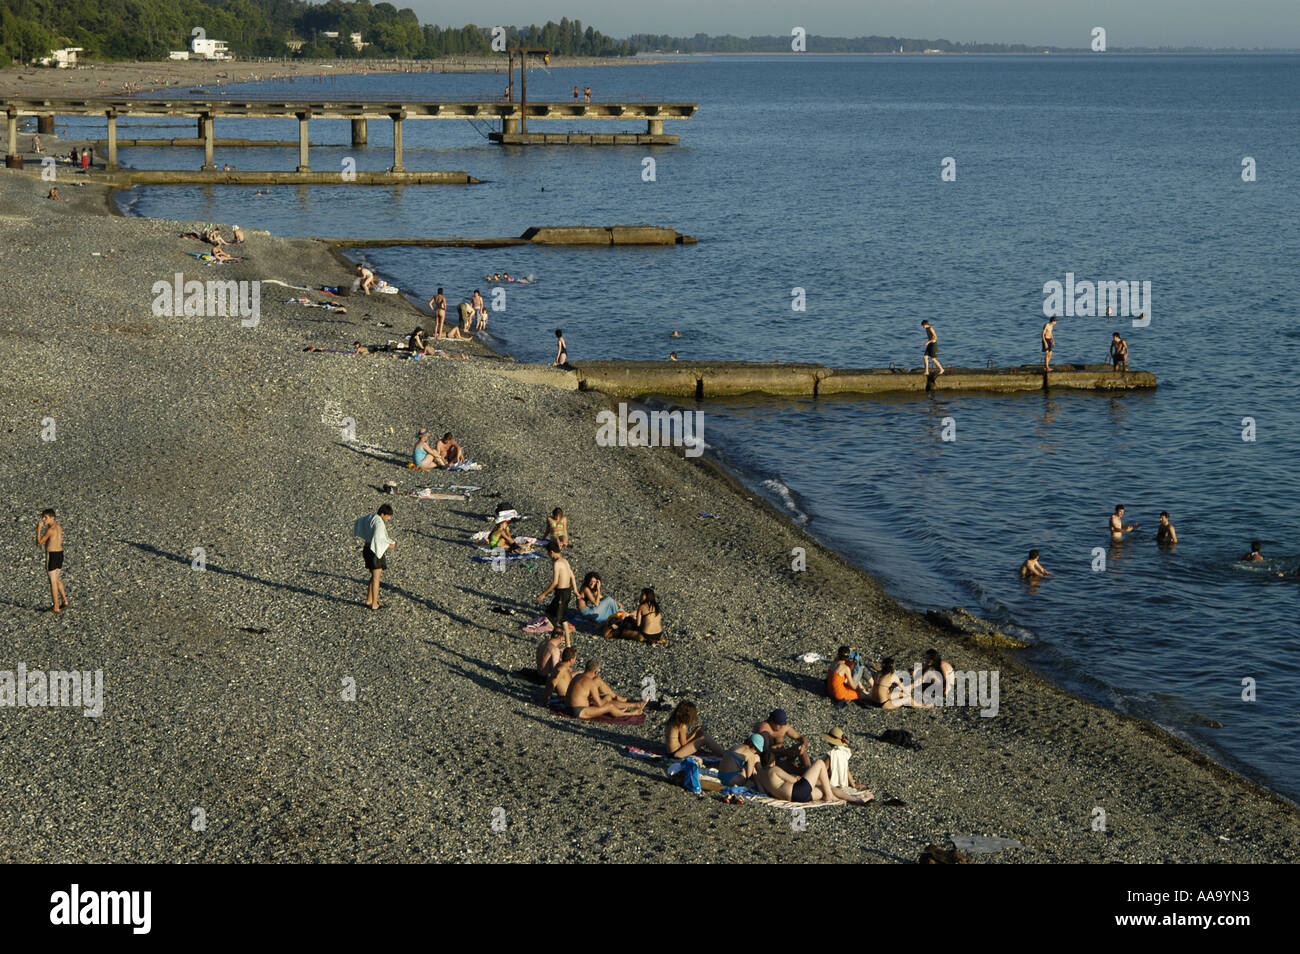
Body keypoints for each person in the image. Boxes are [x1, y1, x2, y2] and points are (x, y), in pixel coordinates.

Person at [756, 748, 844, 804]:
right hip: (797, 791)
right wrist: (796, 777)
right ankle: (829, 796)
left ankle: (853, 799)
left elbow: (762, 792)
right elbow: (792, 780)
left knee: (823, 788)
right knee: (820, 763)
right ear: (774, 762)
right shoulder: (774, 769)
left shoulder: (759, 775)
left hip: (796, 798)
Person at [565, 660, 647, 719]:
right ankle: (631, 713)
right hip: (578, 711)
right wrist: (606, 698)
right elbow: (600, 704)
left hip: (568, 707)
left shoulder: (577, 676)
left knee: (606, 698)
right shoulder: (591, 683)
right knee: (609, 705)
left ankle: (635, 705)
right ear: (596, 672)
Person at [355, 503, 394, 610]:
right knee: (377, 578)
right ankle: (374, 604)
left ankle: (369, 600)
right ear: (383, 514)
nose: (388, 519)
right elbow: (378, 540)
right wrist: (390, 545)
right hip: (375, 553)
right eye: (388, 516)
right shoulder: (379, 523)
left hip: (366, 549)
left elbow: (359, 521)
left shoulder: (370, 517)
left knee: (373, 575)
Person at [820, 728, 874, 803]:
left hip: (831, 783)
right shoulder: (844, 753)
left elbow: (823, 771)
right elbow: (847, 770)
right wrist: (853, 784)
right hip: (843, 784)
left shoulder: (831, 755)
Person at [538, 541, 576, 635]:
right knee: (550, 613)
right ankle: (565, 640)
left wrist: (543, 594)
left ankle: (562, 637)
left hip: (562, 593)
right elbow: (572, 576)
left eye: (548, 554)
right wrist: (575, 589)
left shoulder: (557, 563)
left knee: (561, 620)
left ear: (551, 552)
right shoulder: (565, 561)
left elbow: (555, 582)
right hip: (567, 591)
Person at [867, 657, 932, 710]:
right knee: (908, 698)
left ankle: (918, 684)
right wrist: (908, 697)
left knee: (901, 694)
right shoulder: (892, 676)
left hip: (873, 701)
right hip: (883, 704)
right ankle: (923, 706)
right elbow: (904, 689)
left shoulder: (877, 674)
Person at [37, 509, 67, 613]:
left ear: (52, 518)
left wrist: (39, 529)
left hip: (52, 555)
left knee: (53, 581)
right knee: (57, 578)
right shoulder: (58, 527)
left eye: (46, 518)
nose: (43, 520)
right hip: (60, 554)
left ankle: (56, 607)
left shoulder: (50, 530)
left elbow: (39, 543)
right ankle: (65, 600)